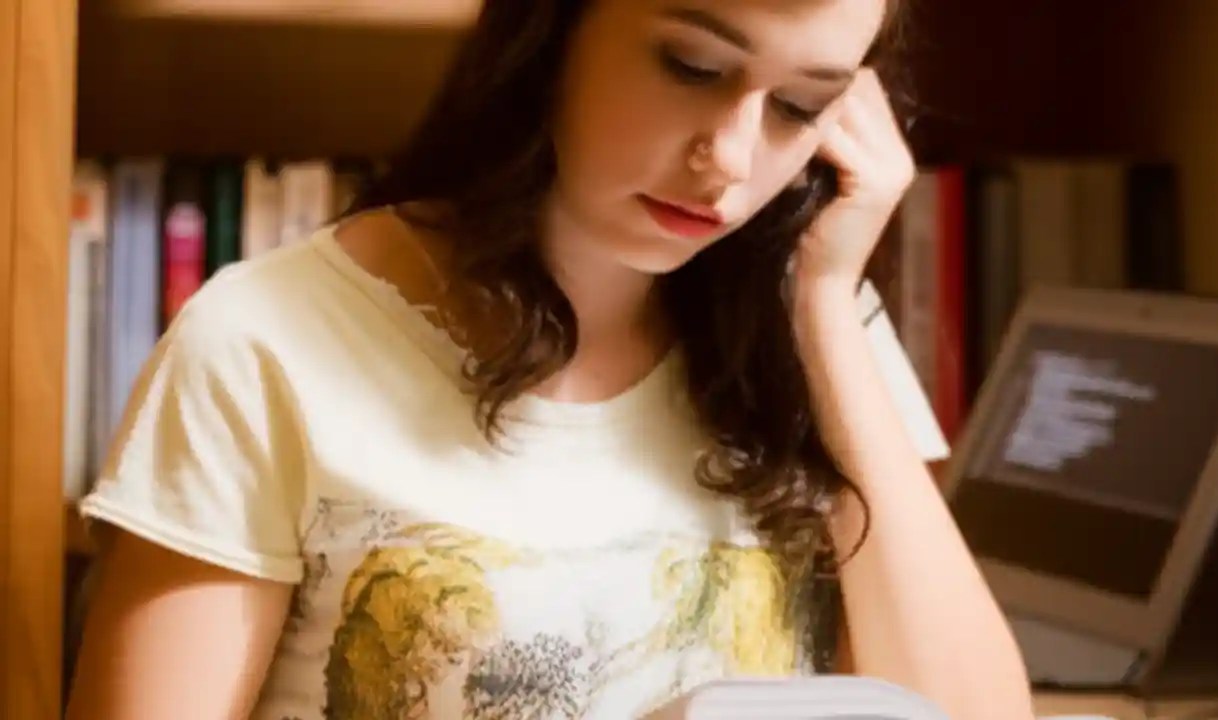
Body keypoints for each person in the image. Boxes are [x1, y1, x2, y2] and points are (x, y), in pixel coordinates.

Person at [66, 1, 1036, 718]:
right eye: (692, 66)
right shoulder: (265, 340)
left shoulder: (818, 334)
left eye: (797, 104)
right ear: (550, 31)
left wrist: (822, 304)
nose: (731, 158)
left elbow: (965, 715)